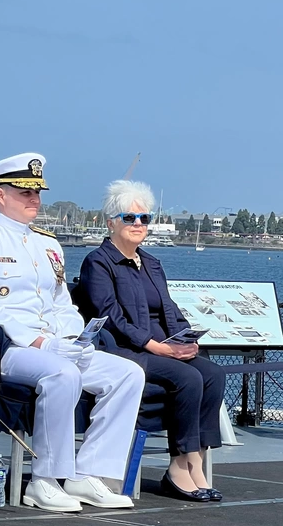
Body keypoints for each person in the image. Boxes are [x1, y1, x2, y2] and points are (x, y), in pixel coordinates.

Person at [0, 153, 145, 512]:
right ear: (1, 194)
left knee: (127, 374)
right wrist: (42, 343)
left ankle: (90, 474)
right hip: (9, 348)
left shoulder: (47, 244)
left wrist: (75, 338)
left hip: (55, 344)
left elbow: (61, 304)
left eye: (37, 192)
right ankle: (45, 480)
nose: (34, 200)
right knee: (61, 373)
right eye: (24, 192)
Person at [75, 180, 223, 502]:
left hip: (163, 346)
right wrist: (154, 346)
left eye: (144, 219)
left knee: (213, 374)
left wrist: (186, 338)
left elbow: (168, 307)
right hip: (125, 351)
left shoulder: (152, 263)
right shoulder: (98, 263)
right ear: (111, 222)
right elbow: (110, 315)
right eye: (129, 218)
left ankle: (190, 460)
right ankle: (180, 467)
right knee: (187, 378)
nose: (138, 225)